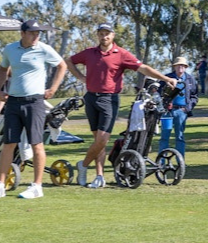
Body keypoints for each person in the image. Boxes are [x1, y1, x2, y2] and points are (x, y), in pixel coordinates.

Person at [66, 23, 175, 188]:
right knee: (98, 140)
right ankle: (99, 176)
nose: (104, 37)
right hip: (90, 98)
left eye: (107, 34)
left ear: (113, 35)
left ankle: (83, 165)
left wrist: (166, 79)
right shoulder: (89, 53)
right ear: (98, 35)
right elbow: (69, 61)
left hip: (109, 99)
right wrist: (82, 77)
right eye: (101, 33)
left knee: (102, 139)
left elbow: (143, 68)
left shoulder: (121, 54)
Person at [0, 19, 67, 200]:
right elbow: (2, 69)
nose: (35, 36)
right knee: (9, 143)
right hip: (13, 102)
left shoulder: (43, 49)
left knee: (36, 143)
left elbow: (62, 65)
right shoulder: (10, 49)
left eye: (38, 33)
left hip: (34, 102)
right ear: (22, 33)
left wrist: (54, 88)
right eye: (32, 33)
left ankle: (37, 186)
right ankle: (0, 185)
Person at [159, 57, 198, 157]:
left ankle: (180, 161)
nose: (180, 67)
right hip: (167, 111)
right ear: (174, 66)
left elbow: (194, 96)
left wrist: (188, 108)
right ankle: (161, 162)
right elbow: (159, 92)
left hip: (181, 111)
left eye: (183, 65)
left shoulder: (190, 79)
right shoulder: (167, 77)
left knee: (180, 137)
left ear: (185, 67)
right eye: (178, 65)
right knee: (164, 137)